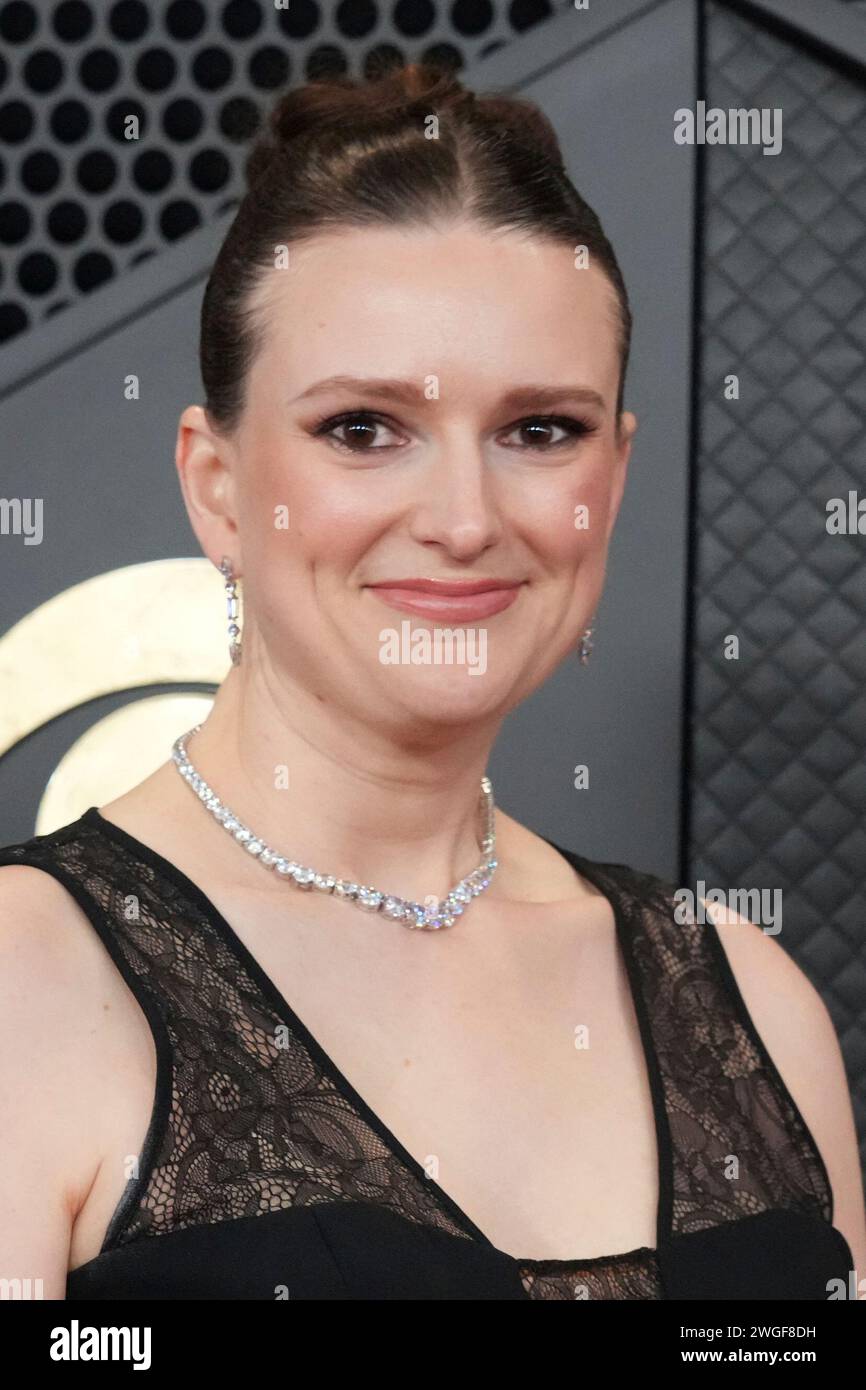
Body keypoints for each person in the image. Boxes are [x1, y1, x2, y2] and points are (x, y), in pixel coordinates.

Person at [0, 63, 863, 1301]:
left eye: (538, 430)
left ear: (610, 481)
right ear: (217, 484)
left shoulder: (747, 999)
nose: (463, 519)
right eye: (362, 427)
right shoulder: (23, 984)